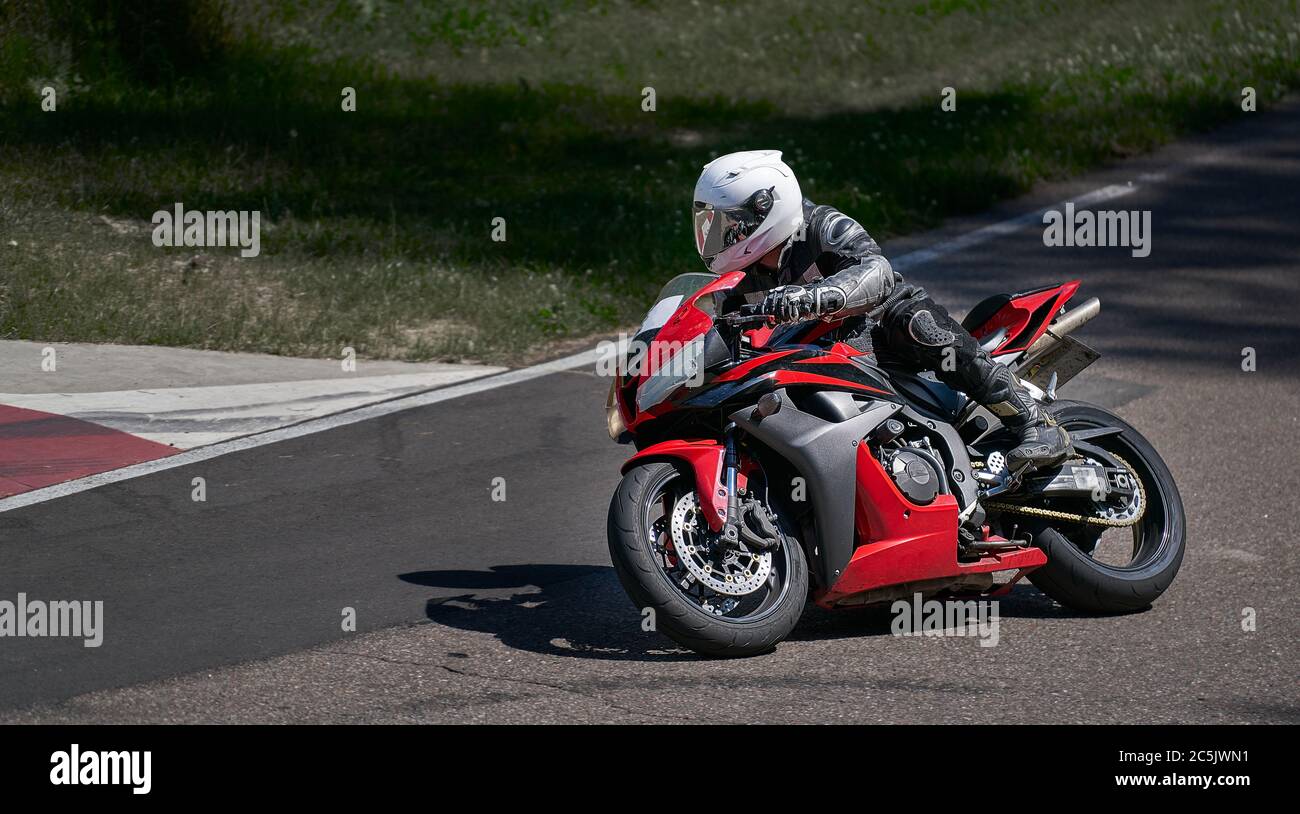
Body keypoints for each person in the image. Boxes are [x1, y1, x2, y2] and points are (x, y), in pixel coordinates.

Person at [692, 150, 1070, 471]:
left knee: (917, 324)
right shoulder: (747, 278)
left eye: (730, 225)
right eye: (715, 226)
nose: (722, 237)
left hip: (880, 328)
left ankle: (1034, 421)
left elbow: (877, 270)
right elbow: (715, 323)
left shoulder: (821, 226)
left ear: (764, 208)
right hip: (826, 355)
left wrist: (818, 296)